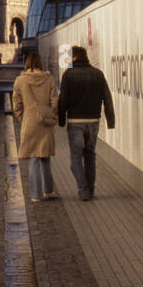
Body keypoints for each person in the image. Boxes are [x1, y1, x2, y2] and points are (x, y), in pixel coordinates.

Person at [57, 45, 115, 201]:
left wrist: (61, 119)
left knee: (76, 158)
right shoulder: (98, 74)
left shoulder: (68, 75)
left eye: (69, 57)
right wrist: (110, 121)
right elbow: (107, 98)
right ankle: (91, 189)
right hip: (94, 121)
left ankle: (83, 191)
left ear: (75, 57)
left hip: (75, 121)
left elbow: (63, 100)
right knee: (90, 155)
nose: (67, 60)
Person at [12, 53, 59, 202]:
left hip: (29, 121)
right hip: (46, 121)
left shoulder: (20, 81)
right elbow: (55, 101)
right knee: (45, 155)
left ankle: (35, 195)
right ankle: (49, 190)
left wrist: (22, 117)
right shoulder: (49, 79)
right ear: (40, 63)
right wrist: (50, 114)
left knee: (33, 157)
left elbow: (17, 104)